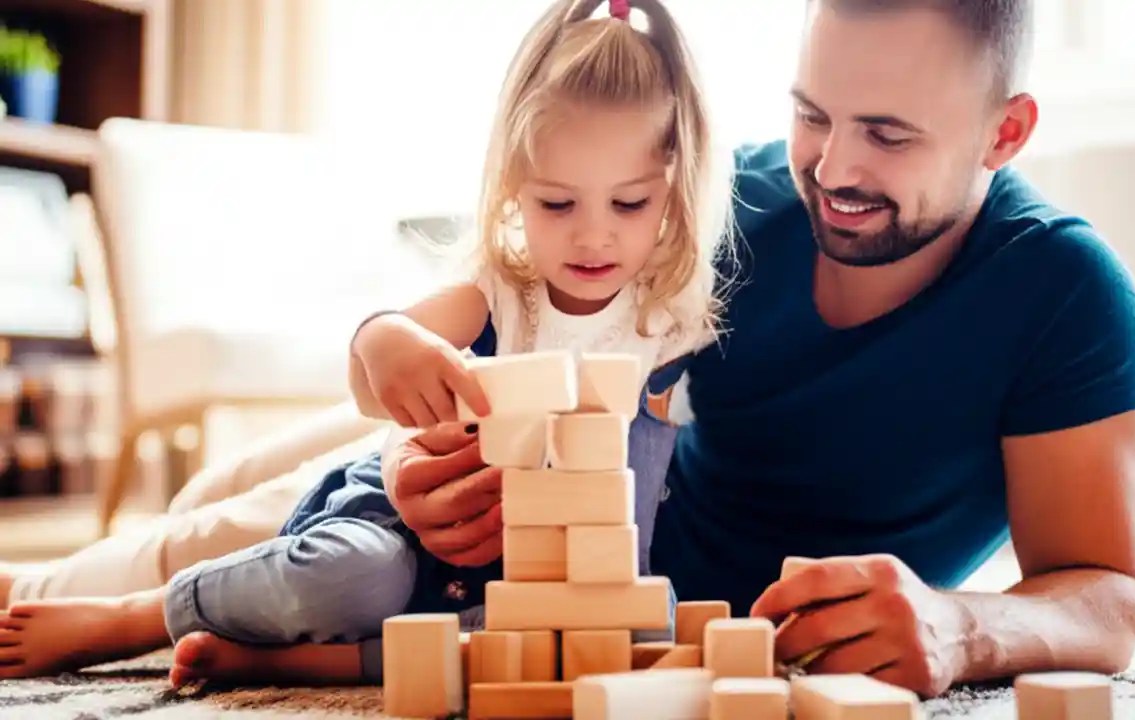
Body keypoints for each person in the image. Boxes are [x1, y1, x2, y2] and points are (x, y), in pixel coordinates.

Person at [377, 0, 1135, 699]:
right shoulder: (718, 206)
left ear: (1006, 132)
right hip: (584, 575)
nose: (833, 168)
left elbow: (1109, 597)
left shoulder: (1065, 293)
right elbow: (514, 317)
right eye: (813, 116)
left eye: (888, 134)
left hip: (718, 650)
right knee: (280, 517)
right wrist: (410, 461)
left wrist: (959, 626)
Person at [0, 0, 730, 685]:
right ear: (512, 184)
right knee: (359, 578)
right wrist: (385, 341)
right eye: (558, 202)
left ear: (673, 186)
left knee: (604, 638)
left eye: (629, 203)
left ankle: (274, 663)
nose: (594, 233)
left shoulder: (671, 326)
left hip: (538, 587)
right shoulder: (503, 293)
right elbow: (370, 361)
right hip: (401, 539)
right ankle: (137, 618)